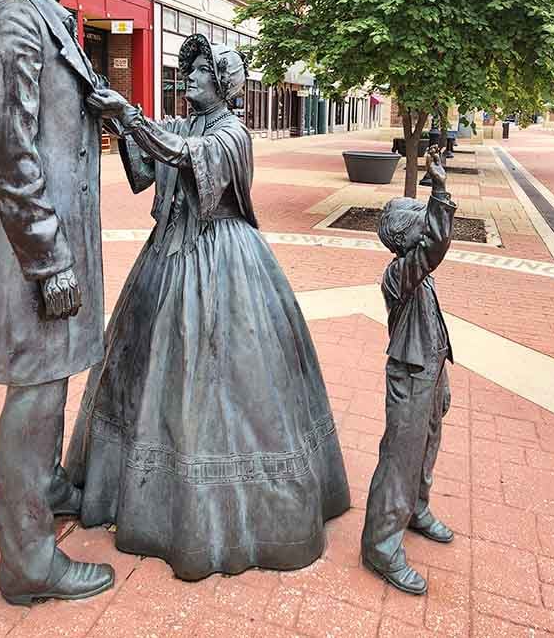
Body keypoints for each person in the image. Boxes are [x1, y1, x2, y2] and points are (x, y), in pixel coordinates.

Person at [65, 33, 350, 581]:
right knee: (151, 365)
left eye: (199, 73)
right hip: (167, 257)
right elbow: (150, 163)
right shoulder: (183, 124)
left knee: (224, 372)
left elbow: (181, 157)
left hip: (221, 256)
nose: (188, 79)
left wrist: (127, 113)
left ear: (222, 83)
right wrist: (119, 117)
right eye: (187, 71)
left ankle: (228, 509)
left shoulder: (232, 134)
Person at [0, 0, 116, 605]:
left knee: (55, 377)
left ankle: (48, 486)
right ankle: (28, 562)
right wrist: (49, 257)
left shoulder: (57, 22)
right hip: (39, 252)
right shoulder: (15, 24)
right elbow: (7, 151)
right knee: (33, 394)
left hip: (64, 239)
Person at [361, 145, 455, 595]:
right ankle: (381, 546)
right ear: (405, 238)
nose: (427, 227)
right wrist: (440, 191)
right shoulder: (401, 273)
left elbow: (433, 325)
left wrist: (444, 377)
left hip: (430, 369)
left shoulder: (421, 273)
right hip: (410, 375)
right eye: (420, 220)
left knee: (428, 446)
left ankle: (417, 509)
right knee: (399, 460)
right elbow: (436, 246)